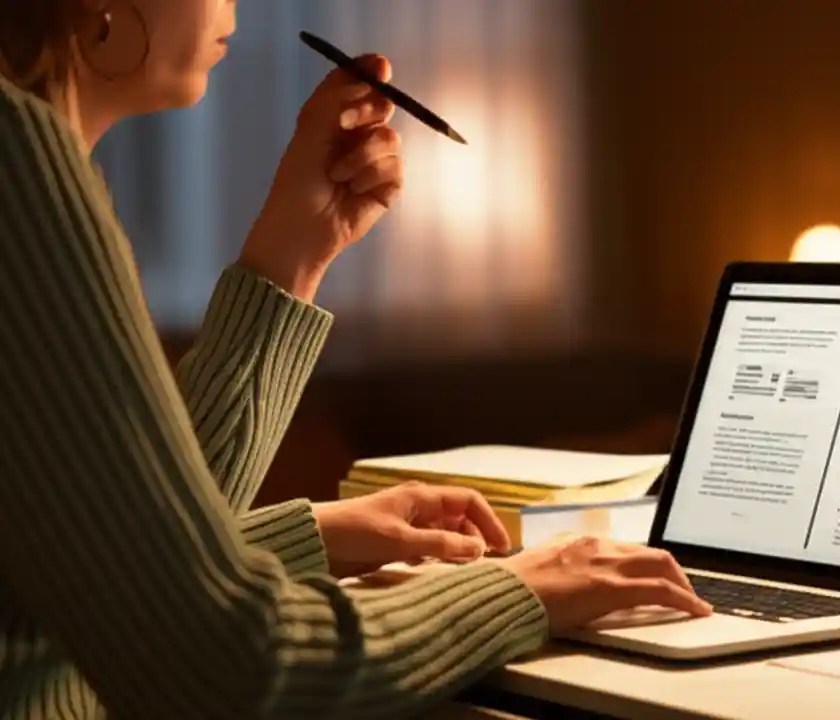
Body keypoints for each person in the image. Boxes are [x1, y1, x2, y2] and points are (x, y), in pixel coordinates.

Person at [0, 1, 712, 717]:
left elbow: (94, 585)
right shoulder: (18, 165)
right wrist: (522, 589)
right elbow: (225, 667)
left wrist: (309, 536)